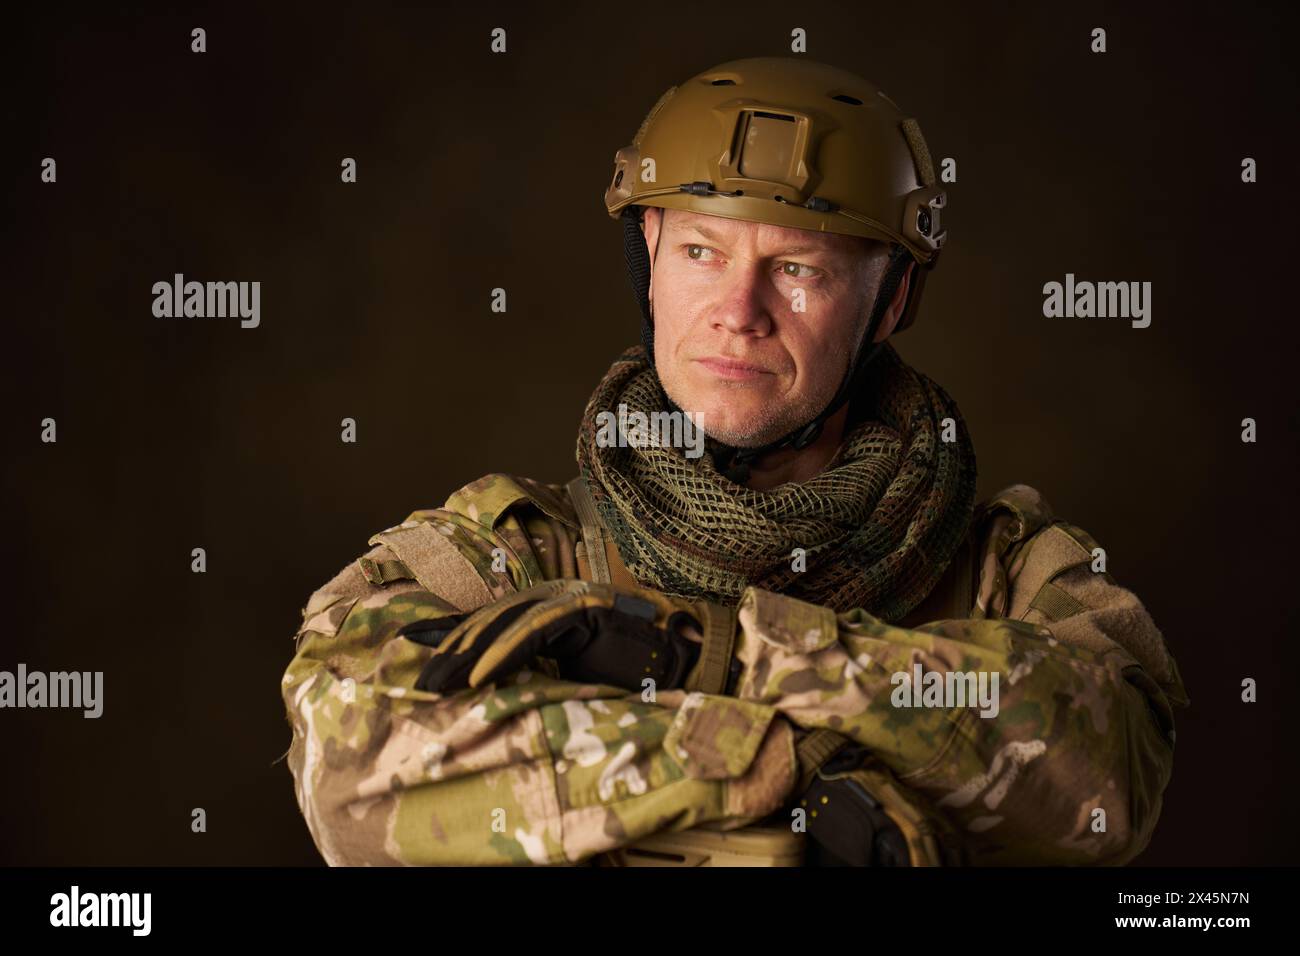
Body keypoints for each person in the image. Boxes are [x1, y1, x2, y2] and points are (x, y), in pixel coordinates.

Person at [279, 56, 1188, 867]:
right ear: (649, 256)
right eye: (702, 252)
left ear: (892, 296)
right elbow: (346, 766)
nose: (737, 310)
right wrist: (777, 760)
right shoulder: (513, 554)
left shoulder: (1008, 568)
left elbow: (1110, 782)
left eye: (799, 269)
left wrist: (721, 659)